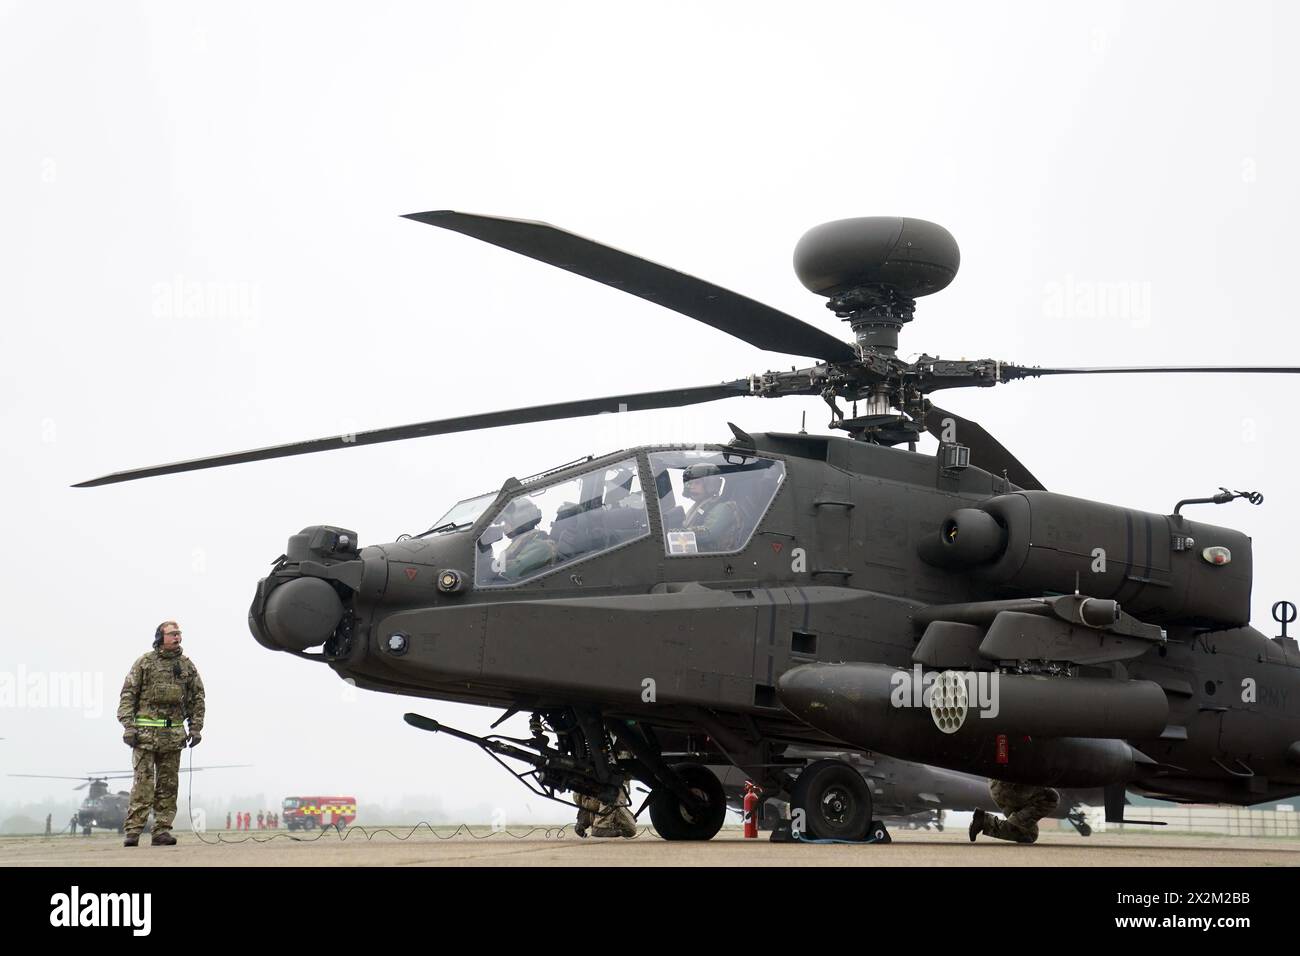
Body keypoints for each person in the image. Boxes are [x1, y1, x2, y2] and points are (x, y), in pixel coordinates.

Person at [117, 620, 205, 847]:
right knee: (143, 784)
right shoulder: (144, 663)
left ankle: (162, 831)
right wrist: (128, 726)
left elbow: (197, 698)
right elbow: (128, 695)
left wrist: (195, 728)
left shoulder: (186, 666)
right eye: (173, 634)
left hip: (173, 737)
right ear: (160, 637)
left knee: (168, 786)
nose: (177, 637)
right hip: (145, 737)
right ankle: (134, 831)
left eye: (179, 634)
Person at [969, 780, 1060, 844]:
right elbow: (1002, 755)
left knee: (1028, 834)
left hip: (1001, 788)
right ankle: (983, 820)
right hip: (1010, 787)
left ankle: (985, 822)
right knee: (1051, 798)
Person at [680, 463, 744, 552]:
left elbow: (708, 533)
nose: (692, 487)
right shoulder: (697, 508)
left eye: (697, 483)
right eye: (690, 483)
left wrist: (678, 533)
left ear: (711, 484)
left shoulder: (723, 508)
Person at [495, 498, 558, 581]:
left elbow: (510, 573)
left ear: (520, 520)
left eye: (506, 522)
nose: (504, 527)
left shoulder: (541, 547)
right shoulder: (522, 543)